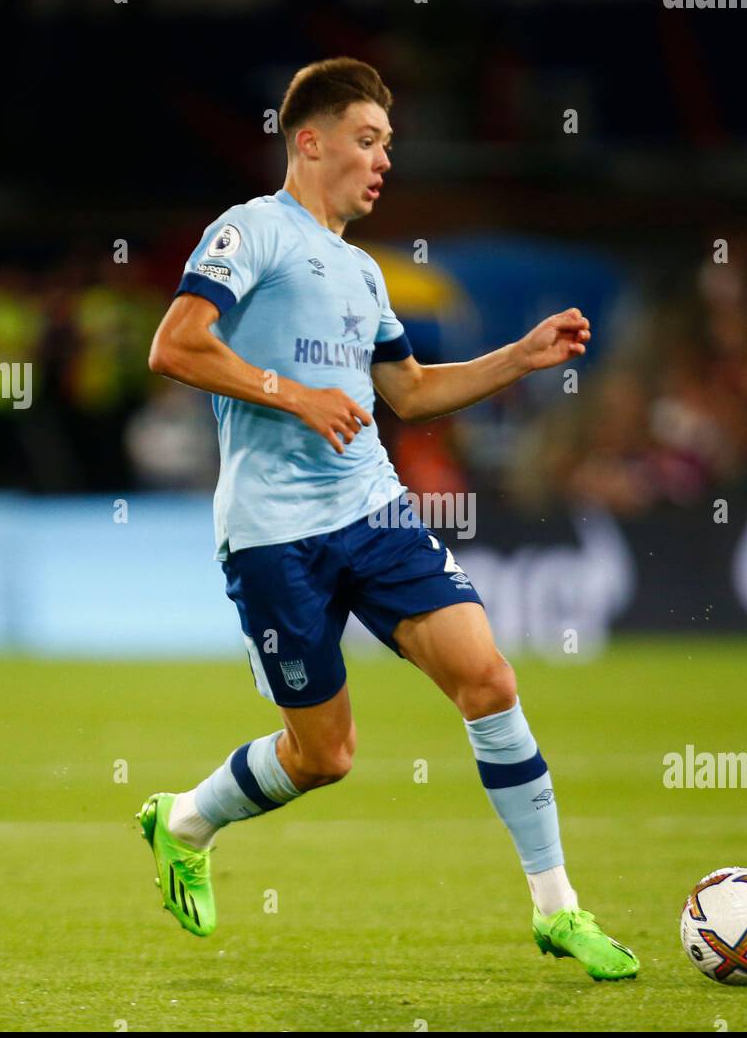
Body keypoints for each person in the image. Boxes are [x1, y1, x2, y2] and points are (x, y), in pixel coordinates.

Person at [138, 57, 637, 980]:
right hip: (272, 536)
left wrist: (520, 358)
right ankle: (184, 821)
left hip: (372, 513)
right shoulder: (251, 232)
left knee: (488, 678)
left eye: (389, 146)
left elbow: (406, 390)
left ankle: (558, 908)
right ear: (310, 141)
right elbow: (176, 345)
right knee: (325, 757)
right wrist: (294, 395)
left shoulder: (367, 274)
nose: (382, 161)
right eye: (367, 141)